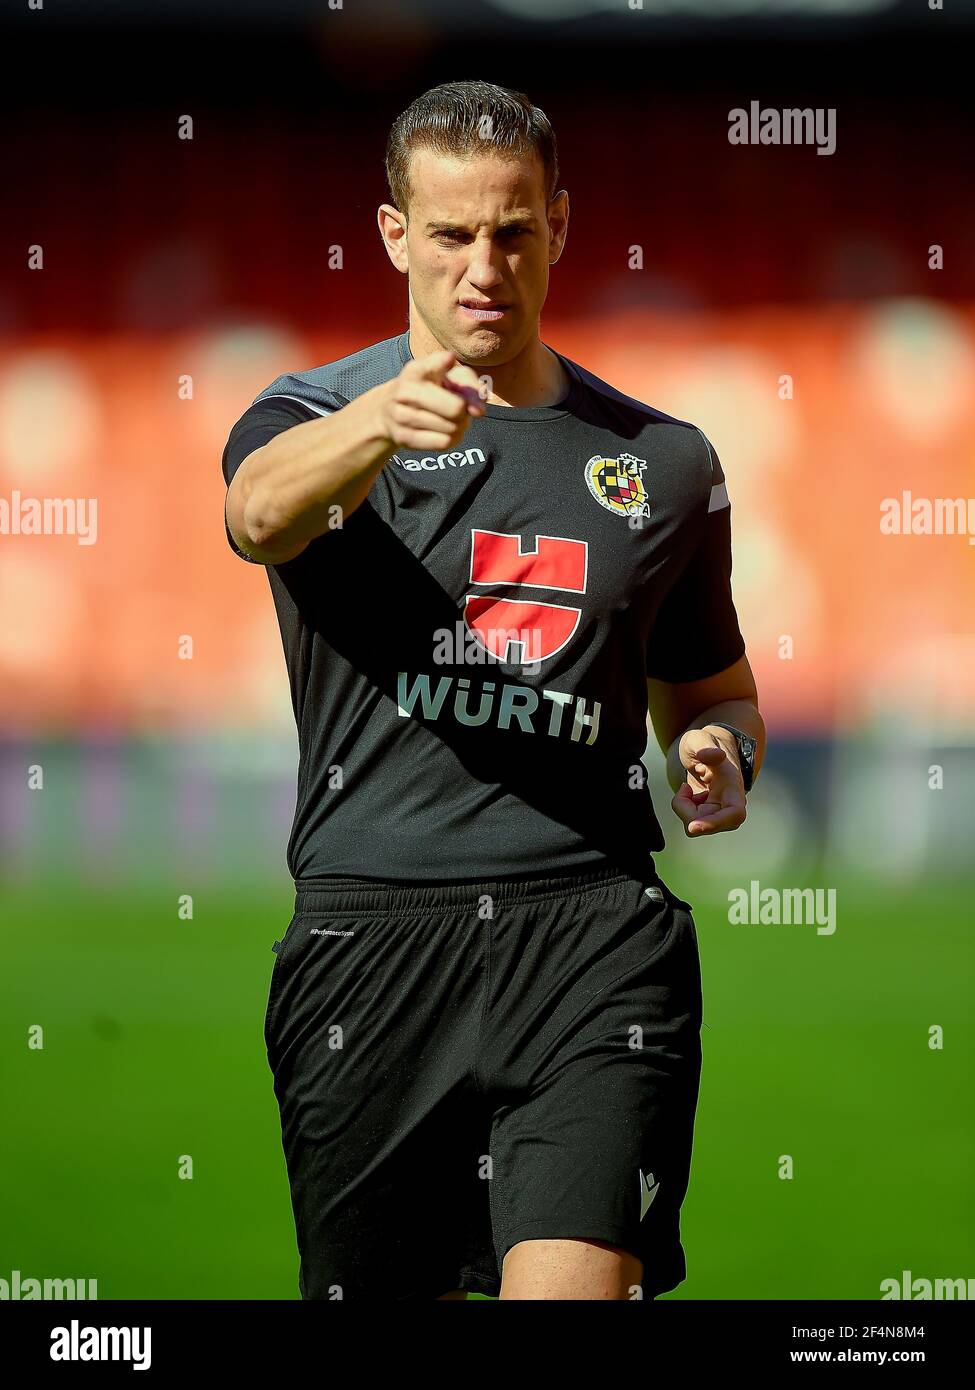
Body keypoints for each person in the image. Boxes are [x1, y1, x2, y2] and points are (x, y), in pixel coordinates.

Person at [221, 79, 766, 1301]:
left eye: (515, 230)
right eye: (454, 233)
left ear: (560, 229)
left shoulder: (660, 462)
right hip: (371, 945)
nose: (484, 265)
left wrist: (720, 754)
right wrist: (375, 426)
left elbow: (718, 694)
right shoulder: (311, 418)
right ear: (393, 235)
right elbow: (254, 516)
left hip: (593, 933)